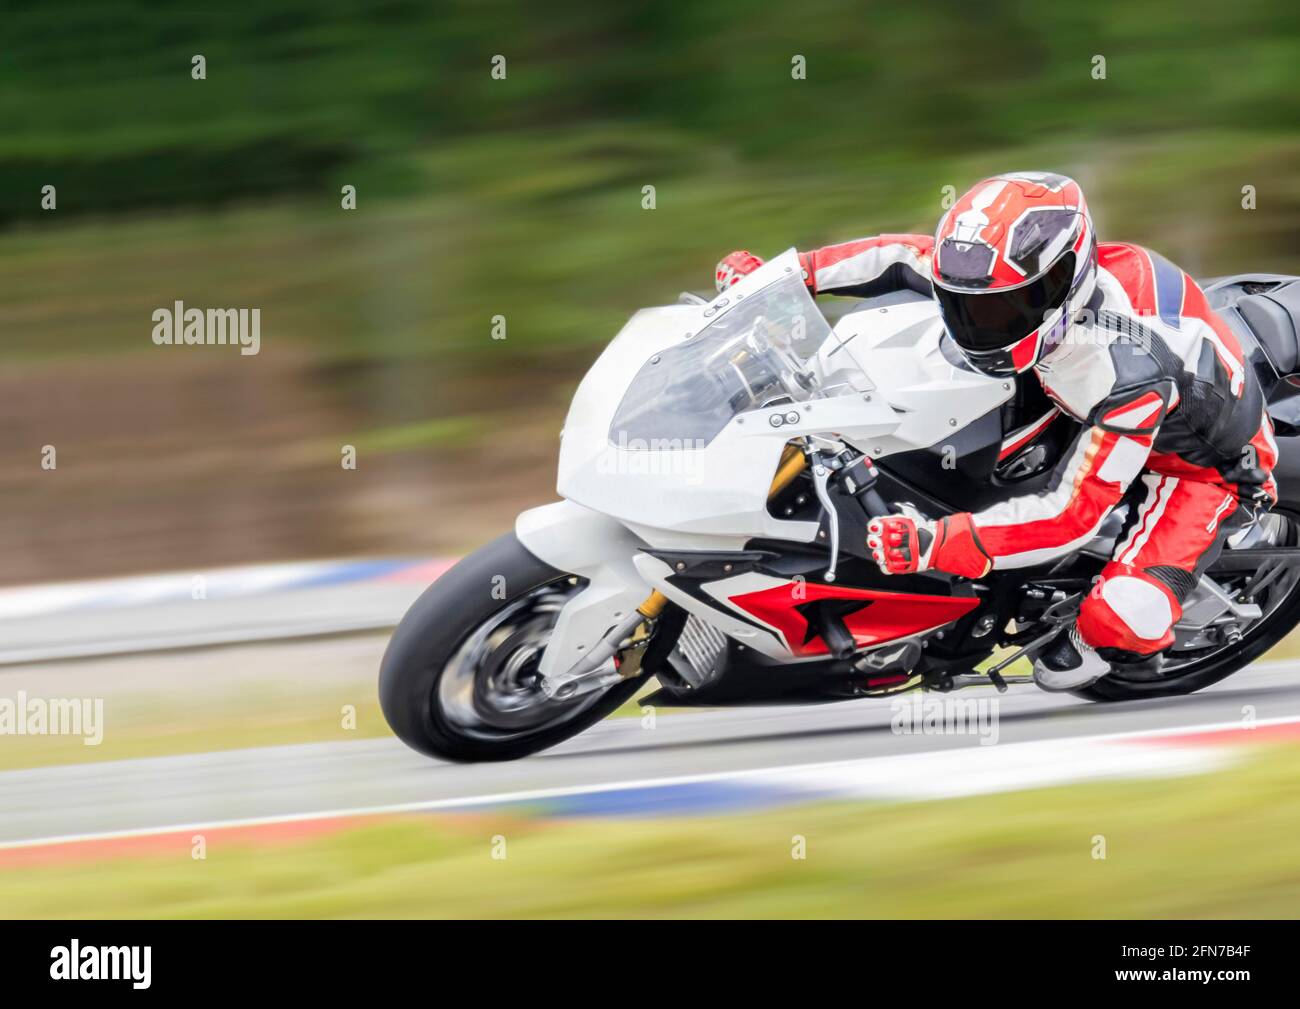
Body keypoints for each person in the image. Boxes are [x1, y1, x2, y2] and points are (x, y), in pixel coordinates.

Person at [715, 171, 1277, 690]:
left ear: (1060, 284)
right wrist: (779, 279)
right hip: (1079, 379)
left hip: (1200, 467)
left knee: (1118, 622)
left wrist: (937, 542)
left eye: (998, 311)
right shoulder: (1022, 280)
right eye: (962, 306)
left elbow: (1068, 514)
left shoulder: (1125, 372)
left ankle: (1117, 632)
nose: (974, 325)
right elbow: (899, 256)